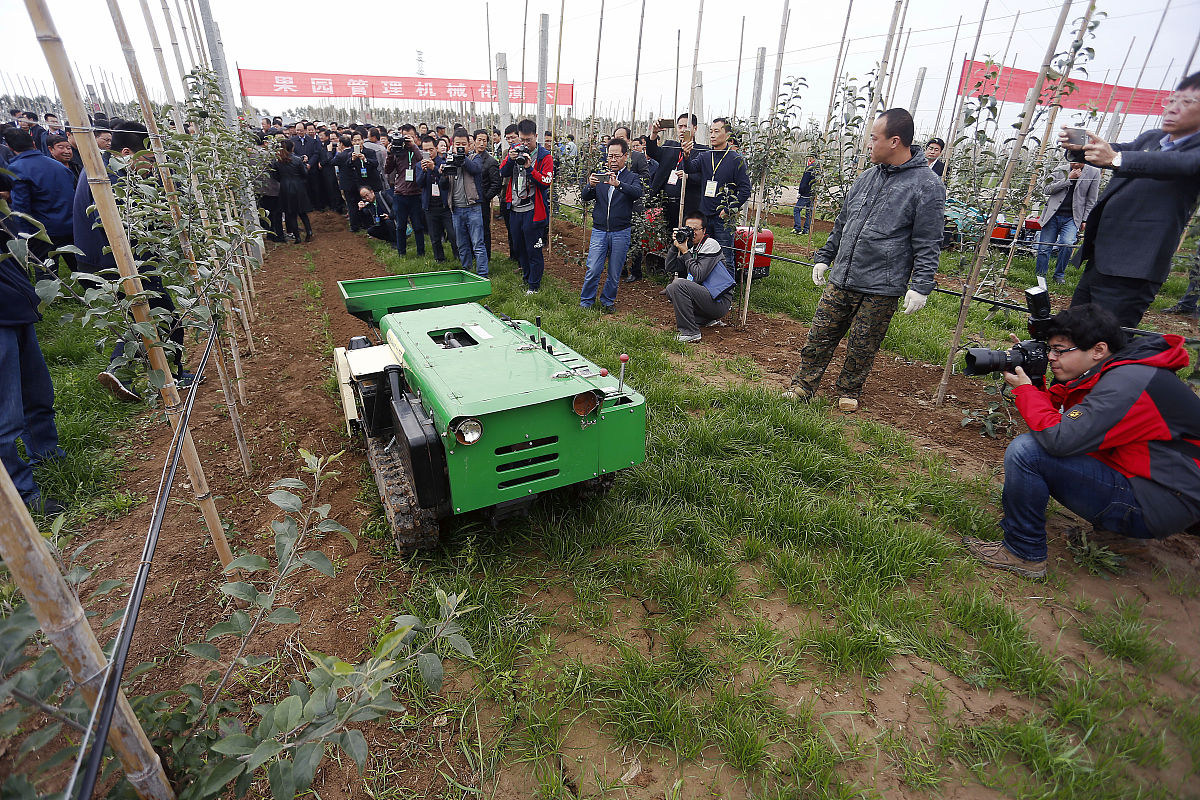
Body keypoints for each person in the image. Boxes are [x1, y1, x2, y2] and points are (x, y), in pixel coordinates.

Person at [965, 304, 1200, 579]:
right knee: (1050, 445)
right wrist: (1034, 375)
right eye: (1049, 349)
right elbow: (1064, 418)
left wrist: (1026, 392)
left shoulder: (1125, 383)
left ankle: (1023, 552)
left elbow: (1058, 439)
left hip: (1160, 503)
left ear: (1098, 350)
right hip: (1165, 491)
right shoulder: (1121, 370)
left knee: (1028, 453)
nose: (1051, 357)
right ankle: (1117, 536)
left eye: (1060, 350)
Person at [784, 108, 944, 413]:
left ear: (894, 141)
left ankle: (849, 389)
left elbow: (928, 240)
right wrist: (825, 256)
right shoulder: (867, 177)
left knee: (864, 343)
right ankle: (803, 385)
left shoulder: (927, 185)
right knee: (820, 334)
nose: (868, 144)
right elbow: (843, 222)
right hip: (843, 275)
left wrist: (921, 285)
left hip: (881, 284)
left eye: (874, 138)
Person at [1063, 72, 1200, 327]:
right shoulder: (1152, 138)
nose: (1173, 108)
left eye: (1186, 102)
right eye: (1172, 100)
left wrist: (1116, 159)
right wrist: (1080, 147)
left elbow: (1176, 163)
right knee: (1075, 330)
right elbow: (1117, 150)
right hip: (1102, 256)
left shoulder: (1194, 153)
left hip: (1135, 267)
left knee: (1108, 339)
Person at [74, 122, 193, 401]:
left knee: (145, 314)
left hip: (104, 260)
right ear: (127, 152)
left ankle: (139, 373)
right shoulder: (108, 176)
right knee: (162, 315)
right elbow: (114, 224)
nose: (151, 168)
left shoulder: (100, 166)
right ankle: (155, 374)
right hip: (120, 261)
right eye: (149, 160)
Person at [1, 245, 66, 515]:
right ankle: (21, 494)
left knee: (37, 396)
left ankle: (47, 457)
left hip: (14, 305)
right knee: (5, 418)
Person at [579, 137, 644, 311]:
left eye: (616, 156)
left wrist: (618, 184)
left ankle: (607, 301)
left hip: (621, 231)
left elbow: (637, 193)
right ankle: (586, 302)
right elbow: (585, 196)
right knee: (593, 268)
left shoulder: (631, 177)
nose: (613, 160)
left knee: (615, 271)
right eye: (610, 156)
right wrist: (590, 186)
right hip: (599, 230)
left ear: (625, 156)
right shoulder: (601, 176)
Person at [4, 127, 75, 277]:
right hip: (69, 224)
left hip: (43, 230)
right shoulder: (58, 166)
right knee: (79, 267)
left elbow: (21, 207)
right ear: (34, 143)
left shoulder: (17, 168)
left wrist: (24, 235)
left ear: (10, 147)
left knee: (46, 271)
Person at [688, 117, 751, 276]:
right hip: (705, 215)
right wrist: (686, 155)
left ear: (728, 135)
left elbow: (745, 189)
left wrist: (729, 209)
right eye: (711, 131)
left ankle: (726, 289)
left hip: (723, 218)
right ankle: (705, 286)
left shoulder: (736, 159)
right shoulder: (705, 156)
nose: (712, 135)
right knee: (703, 253)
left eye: (717, 131)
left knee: (725, 256)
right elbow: (690, 168)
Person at [500, 119, 554, 293]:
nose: (524, 143)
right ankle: (526, 278)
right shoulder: (514, 151)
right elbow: (502, 172)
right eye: (522, 139)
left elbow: (546, 182)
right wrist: (511, 159)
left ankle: (534, 285)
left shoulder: (545, 156)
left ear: (536, 136)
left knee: (534, 249)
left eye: (528, 140)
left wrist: (530, 169)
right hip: (515, 208)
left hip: (533, 210)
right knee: (519, 247)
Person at [664, 213, 735, 342]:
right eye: (688, 229)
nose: (692, 233)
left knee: (678, 285)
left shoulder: (710, 245)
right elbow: (670, 267)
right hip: (708, 297)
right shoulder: (693, 247)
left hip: (719, 301)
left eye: (695, 229)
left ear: (704, 230)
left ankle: (691, 332)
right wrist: (675, 246)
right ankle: (704, 320)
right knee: (670, 289)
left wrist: (685, 252)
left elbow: (698, 276)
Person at [1035, 160, 1100, 284]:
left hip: (1073, 217)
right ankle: (1040, 276)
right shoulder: (1060, 169)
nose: (1075, 165)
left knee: (1067, 244)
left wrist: (1085, 219)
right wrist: (1068, 179)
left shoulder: (1094, 173)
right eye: (1073, 162)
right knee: (1044, 247)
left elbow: (1091, 199)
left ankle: (1059, 275)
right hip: (1052, 215)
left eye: (1079, 162)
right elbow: (1047, 189)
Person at [445, 128, 489, 277]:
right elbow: (444, 185)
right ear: (452, 145)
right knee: (462, 244)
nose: (460, 147)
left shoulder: (475, 158)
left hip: (473, 207)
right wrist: (443, 172)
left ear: (469, 145)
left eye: (463, 144)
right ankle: (467, 272)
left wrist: (462, 159)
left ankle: (482, 275)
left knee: (478, 243)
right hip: (456, 209)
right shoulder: (449, 159)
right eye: (457, 144)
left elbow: (476, 169)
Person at [384, 124, 426, 257]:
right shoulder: (398, 151)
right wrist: (390, 154)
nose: (407, 139)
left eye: (410, 137)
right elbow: (387, 170)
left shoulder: (417, 151)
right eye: (405, 137)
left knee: (418, 226)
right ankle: (401, 253)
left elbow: (422, 161)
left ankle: (421, 253)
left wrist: (413, 146)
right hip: (400, 194)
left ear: (416, 137)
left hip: (415, 193)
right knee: (400, 226)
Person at [417, 135, 459, 263]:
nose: (428, 152)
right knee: (434, 237)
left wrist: (434, 169)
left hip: (445, 205)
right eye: (425, 150)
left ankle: (458, 257)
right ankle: (439, 259)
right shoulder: (419, 165)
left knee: (452, 234)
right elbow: (419, 183)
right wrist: (424, 171)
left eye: (431, 149)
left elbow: (445, 183)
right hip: (429, 206)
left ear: (436, 148)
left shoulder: (443, 163)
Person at [331, 133, 381, 232]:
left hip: (372, 181)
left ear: (363, 140)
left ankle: (378, 224)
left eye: (359, 140)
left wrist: (365, 159)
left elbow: (375, 163)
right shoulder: (350, 153)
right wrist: (352, 159)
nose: (357, 142)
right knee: (363, 204)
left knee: (375, 202)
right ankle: (367, 225)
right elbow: (348, 165)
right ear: (352, 142)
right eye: (355, 140)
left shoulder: (370, 151)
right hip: (361, 183)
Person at [270, 140, 313, 243]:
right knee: (302, 212)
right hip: (298, 187)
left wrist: (283, 180)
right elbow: (304, 173)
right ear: (292, 148)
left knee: (291, 214)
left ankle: (297, 237)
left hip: (285, 188)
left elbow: (275, 176)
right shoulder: (297, 160)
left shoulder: (277, 161)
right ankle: (309, 231)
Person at [475, 129, 502, 259]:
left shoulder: (491, 162)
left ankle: (486, 256)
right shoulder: (470, 158)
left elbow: (496, 184)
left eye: (484, 141)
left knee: (484, 229)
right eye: (479, 140)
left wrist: (485, 197)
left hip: (482, 202)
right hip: (470, 201)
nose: (482, 143)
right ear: (474, 141)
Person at [792, 157, 817, 235]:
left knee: (796, 209)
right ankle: (806, 230)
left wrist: (800, 192)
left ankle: (797, 228)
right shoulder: (819, 168)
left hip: (806, 193)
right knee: (809, 211)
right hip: (813, 194)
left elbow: (804, 182)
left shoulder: (809, 168)